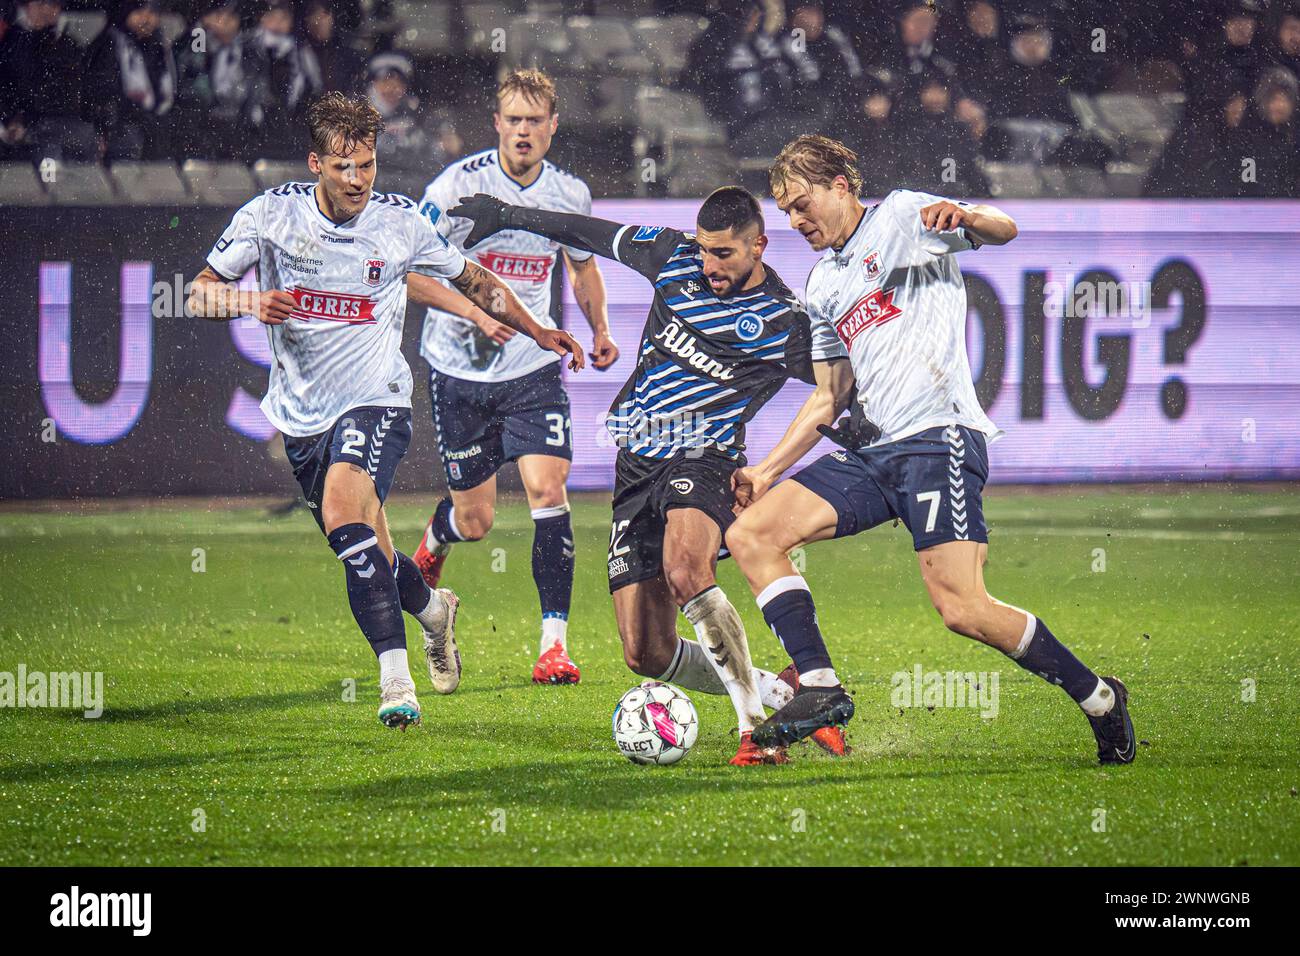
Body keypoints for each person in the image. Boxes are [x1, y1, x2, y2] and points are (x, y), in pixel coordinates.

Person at [723, 135, 1137, 766]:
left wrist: (969, 217)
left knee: (963, 609)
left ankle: (1100, 698)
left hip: (937, 438)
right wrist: (766, 469)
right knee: (752, 533)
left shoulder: (900, 217)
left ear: (842, 185)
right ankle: (820, 688)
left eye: (804, 205)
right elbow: (830, 396)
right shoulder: (823, 282)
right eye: (786, 214)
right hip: (873, 450)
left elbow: (1005, 229)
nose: (796, 222)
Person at [185, 91, 585, 729]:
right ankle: (432, 610)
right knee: (363, 547)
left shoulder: (400, 222)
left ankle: (395, 685)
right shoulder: (270, 215)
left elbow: (474, 280)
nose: (356, 180)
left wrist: (539, 331)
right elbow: (193, 294)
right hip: (302, 416)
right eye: (343, 166)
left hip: (377, 399)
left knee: (349, 514)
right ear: (316, 163)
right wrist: (249, 303)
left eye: (366, 165)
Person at [448, 185, 850, 765]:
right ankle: (786, 693)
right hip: (635, 466)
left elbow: (837, 394)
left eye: (726, 255)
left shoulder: (786, 321)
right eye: (706, 251)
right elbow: (588, 233)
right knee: (646, 652)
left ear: (759, 246)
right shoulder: (673, 256)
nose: (711, 265)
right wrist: (507, 215)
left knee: (687, 569)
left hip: (705, 459)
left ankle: (754, 733)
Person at [408, 70, 611, 688]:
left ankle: (554, 646)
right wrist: (474, 310)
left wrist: (600, 329)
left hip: (531, 365)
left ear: (552, 127)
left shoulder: (569, 194)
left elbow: (581, 269)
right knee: (477, 522)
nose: (523, 131)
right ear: (497, 124)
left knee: (549, 492)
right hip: (457, 368)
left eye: (535, 121)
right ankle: (437, 542)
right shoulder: (457, 187)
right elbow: (410, 272)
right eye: (513, 120)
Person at [0, 0, 98, 162]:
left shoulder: (67, 44)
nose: (48, 10)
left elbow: (80, 87)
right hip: (32, 124)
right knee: (51, 168)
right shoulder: (12, 41)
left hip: (68, 123)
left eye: (54, 5)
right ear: (27, 6)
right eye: (41, 4)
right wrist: (15, 119)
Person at [81, 0, 177, 160]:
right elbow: (101, 94)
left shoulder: (159, 46)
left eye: (152, 13)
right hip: (121, 125)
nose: (146, 19)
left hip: (151, 122)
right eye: (139, 13)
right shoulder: (107, 44)